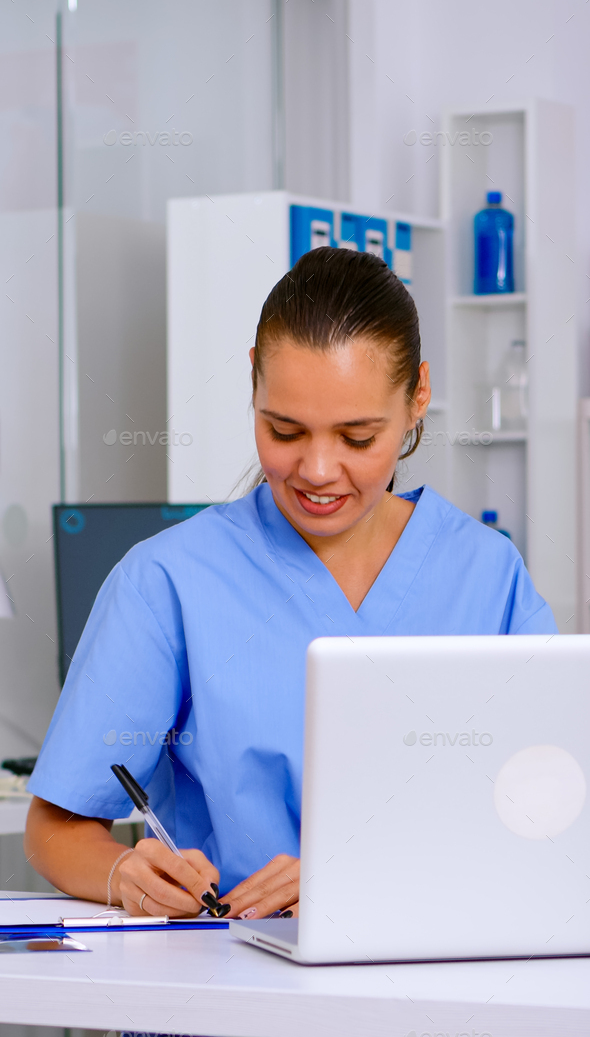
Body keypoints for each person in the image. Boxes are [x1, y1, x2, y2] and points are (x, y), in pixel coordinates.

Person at [25, 247, 556, 920]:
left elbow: (547, 811)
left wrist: (361, 873)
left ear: (418, 396)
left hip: (433, 978)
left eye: (358, 437)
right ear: (253, 380)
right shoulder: (168, 581)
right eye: (284, 430)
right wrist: (125, 871)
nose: (318, 469)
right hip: (227, 986)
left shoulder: (488, 575)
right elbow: (55, 828)